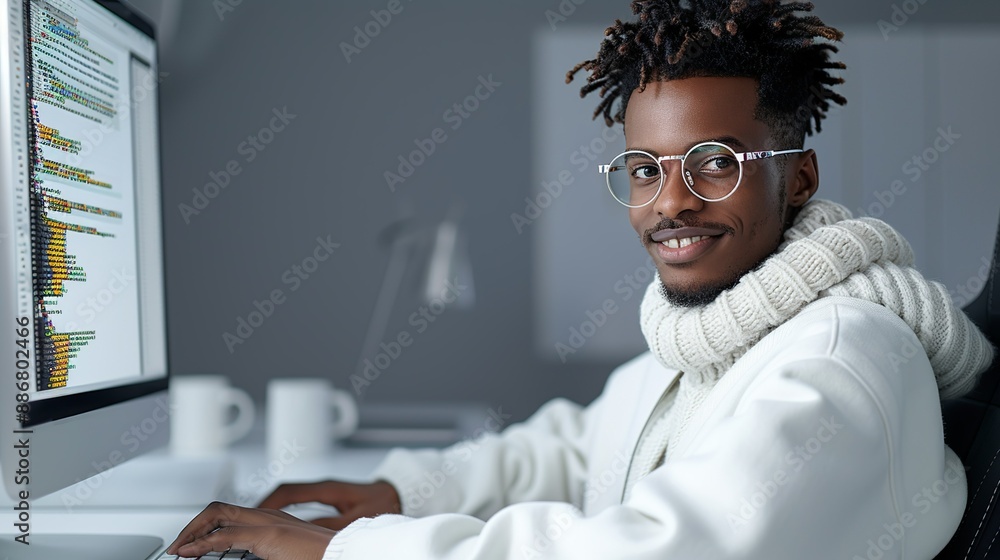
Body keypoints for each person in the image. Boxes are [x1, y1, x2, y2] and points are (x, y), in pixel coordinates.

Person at [167, 1, 996, 558]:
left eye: (715, 164)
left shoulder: (842, 366)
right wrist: (396, 490)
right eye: (644, 169)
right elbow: (575, 448)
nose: (670, 202)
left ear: (801, 179)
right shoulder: (709, 337)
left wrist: (349, 551)